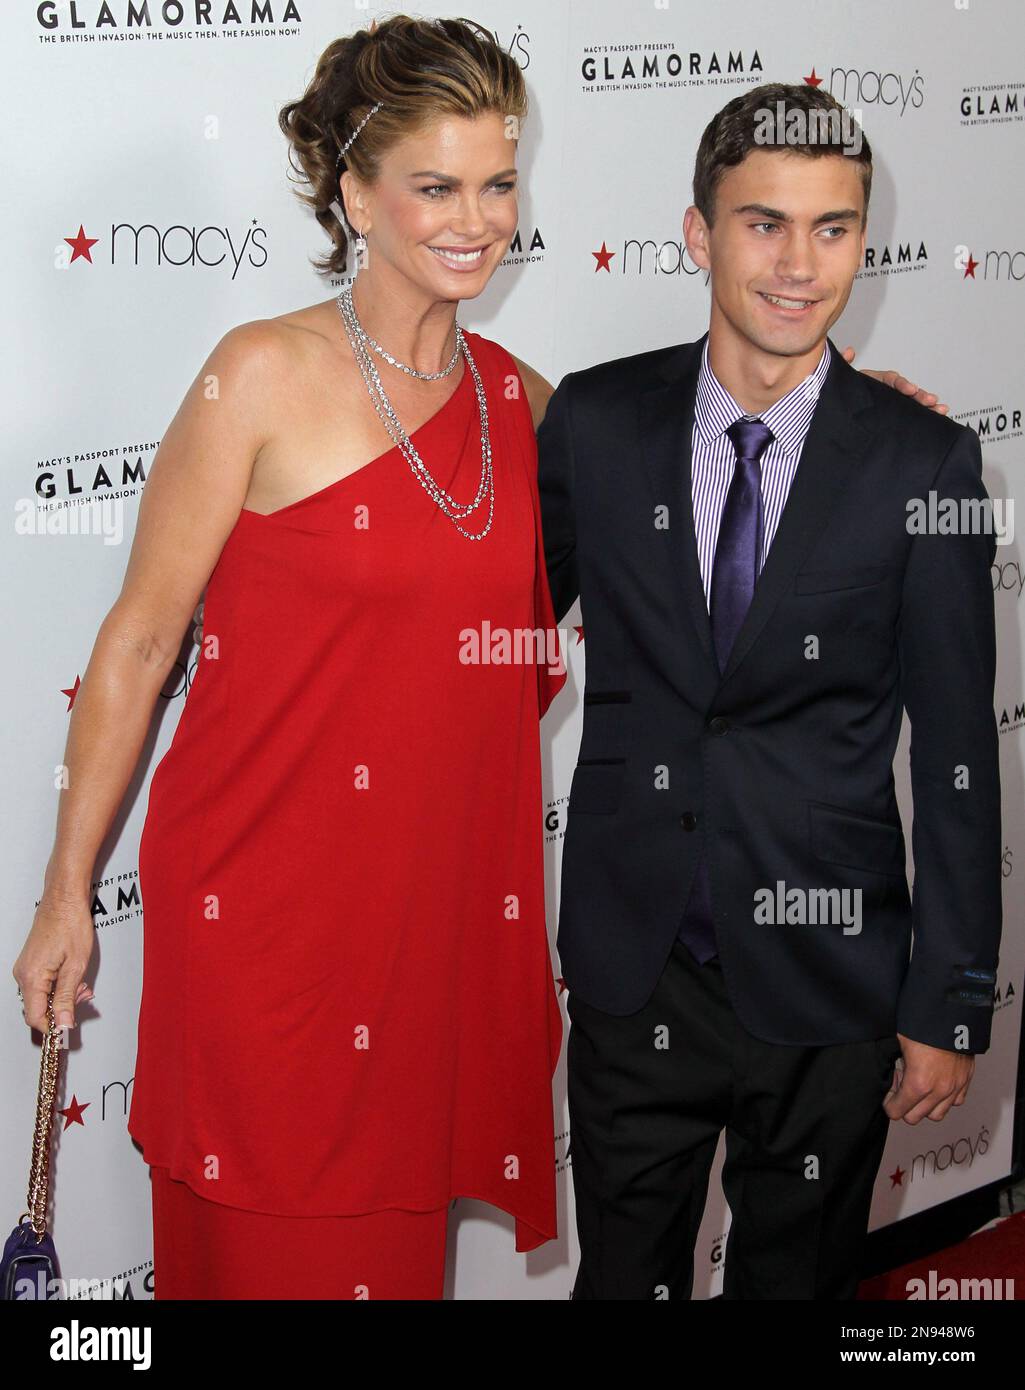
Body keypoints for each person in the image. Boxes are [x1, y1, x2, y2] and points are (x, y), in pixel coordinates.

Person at [12, 15, 568, 1300]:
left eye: (497, 182)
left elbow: (688, 459)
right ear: (353, 193)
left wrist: (852, 405)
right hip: (267, 919)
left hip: (426, 925)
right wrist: (64, 893)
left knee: (387, 1255)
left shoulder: (519, 402)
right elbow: (139, 642)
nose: (475, 219)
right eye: (434, 186)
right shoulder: (256, 374)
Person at [536, 81, 1001, 1300]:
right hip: (636, 968)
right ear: (697, 233)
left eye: (833, 227)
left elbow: (960, 755)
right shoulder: (594, 422)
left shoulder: (923, 459)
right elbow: (493, 639)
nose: (799, 265)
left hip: (831, 986)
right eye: (762, 224)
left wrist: (948, 1000)